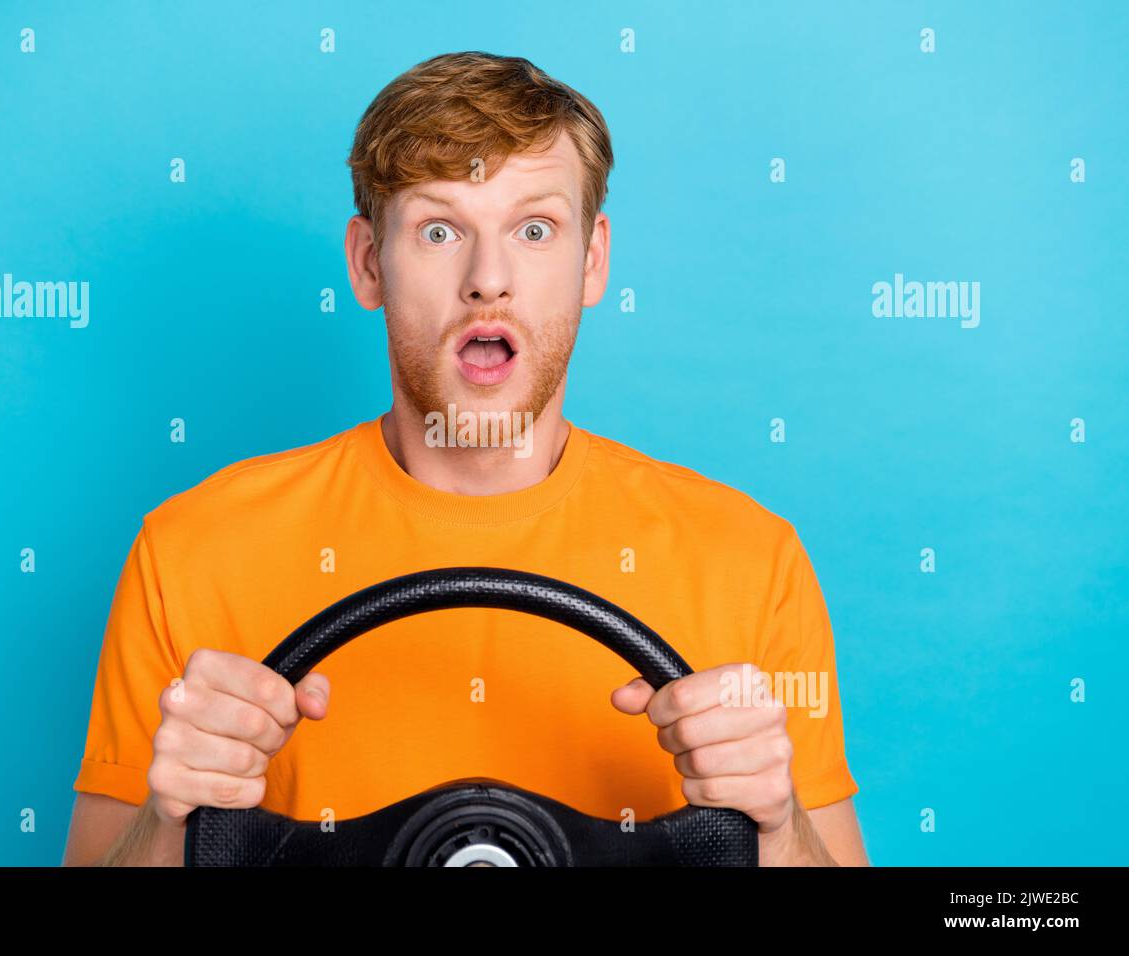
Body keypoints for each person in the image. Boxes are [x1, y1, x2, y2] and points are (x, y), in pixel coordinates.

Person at [63, 51, 868, 867]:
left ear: (592, 261)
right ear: (369, 262)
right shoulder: (193, 549)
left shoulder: (749, 559)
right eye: (440, 230)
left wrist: (775, 827)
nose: (489, 281)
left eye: (534, 230)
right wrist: (170, 820)